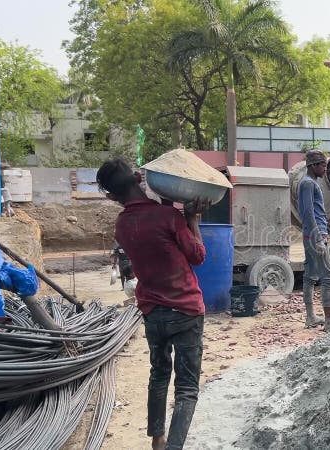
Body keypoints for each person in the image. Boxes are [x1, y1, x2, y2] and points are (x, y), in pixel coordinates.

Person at [96, 158, 209, 450]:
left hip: (152, 312)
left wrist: (175, 211)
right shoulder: (166, 217)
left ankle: (157, 440)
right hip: (185, 309)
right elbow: (198, 256)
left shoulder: (122, 226)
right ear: (138, 177)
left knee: (159, 374)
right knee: (186, 388)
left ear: (110, 196)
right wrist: (191, 219)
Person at [297, 150, 330, 331]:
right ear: (313, 166)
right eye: (323, 165)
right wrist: (318, 238)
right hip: (316, 236)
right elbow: (307, 213)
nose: (325, 169)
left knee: (310, 276)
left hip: (312, 235)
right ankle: (329, 321)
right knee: (328, 277)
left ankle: (311, 317)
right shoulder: (307, 184)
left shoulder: (310, 183)